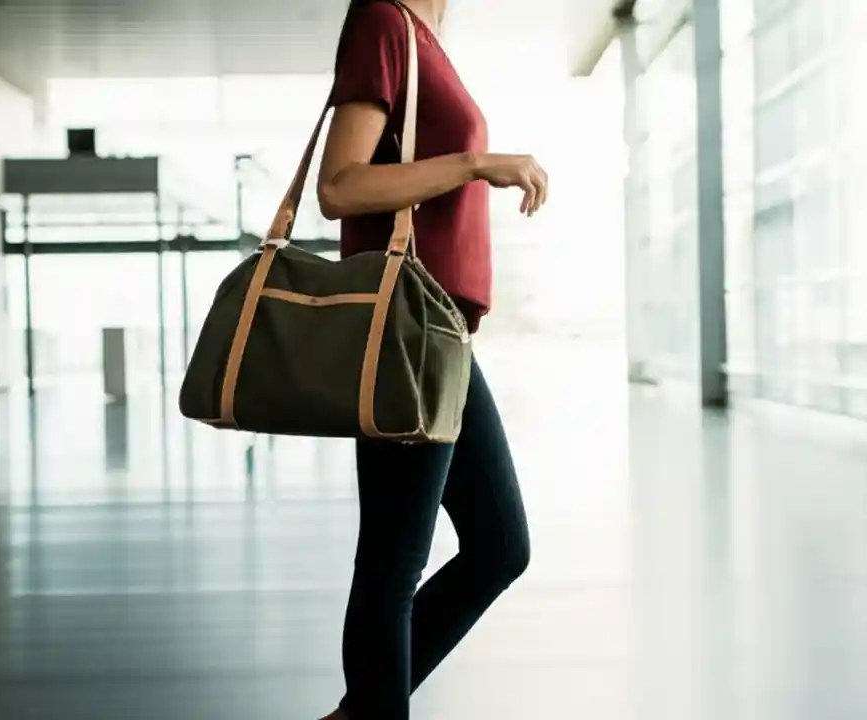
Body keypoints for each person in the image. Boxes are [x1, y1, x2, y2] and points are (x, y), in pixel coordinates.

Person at [314, 1, 549, 718]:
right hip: (404, 326)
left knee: (499, 544)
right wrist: (477, 164)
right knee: (392, 562)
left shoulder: (424, 36)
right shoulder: (384, 22)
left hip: (440, 332)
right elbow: (340, 185)